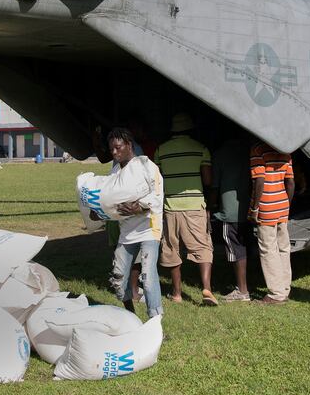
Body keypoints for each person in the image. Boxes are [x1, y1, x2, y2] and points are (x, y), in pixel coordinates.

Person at [155, 112, 217, 306]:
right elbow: (207, 180)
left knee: (172, 249)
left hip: (171, 207)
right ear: (190, 129)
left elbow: (157, 180)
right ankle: (206, 288)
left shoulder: (160, 150)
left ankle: (177, 294)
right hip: (194, 206)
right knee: (203, 246)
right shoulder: (201, 149)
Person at [105, 127, 164, 319]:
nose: (114, 152)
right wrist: (101, 214)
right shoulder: (114, 173)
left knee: (147, 277)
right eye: (111, 149)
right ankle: (131, 316)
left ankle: (155, 321)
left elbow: (156, 196)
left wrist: (140, 207)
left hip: (149, 229)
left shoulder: (147, 166)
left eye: (118, 147)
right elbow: (110, 202)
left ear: (129, 145)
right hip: (127, 233)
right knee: (118, 280)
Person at [248, 140, 294, 305]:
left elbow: (259, 180)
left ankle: (275, 294)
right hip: (282, 204)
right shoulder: (286, 150)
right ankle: (285, 289)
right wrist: (286, 204)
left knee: (268, 249)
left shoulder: (257, 150)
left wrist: (254, 209)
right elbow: (290, 182)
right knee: (283, 248)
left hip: (266, 206)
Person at [211, 137, 253, 303]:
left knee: (235, 250)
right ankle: (243, 286)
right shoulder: (247, 153)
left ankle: (242, 290)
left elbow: (215, 184)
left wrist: (212, 205)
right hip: (246, 209)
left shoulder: (220, 155)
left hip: (230, 211)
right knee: (243, 246)